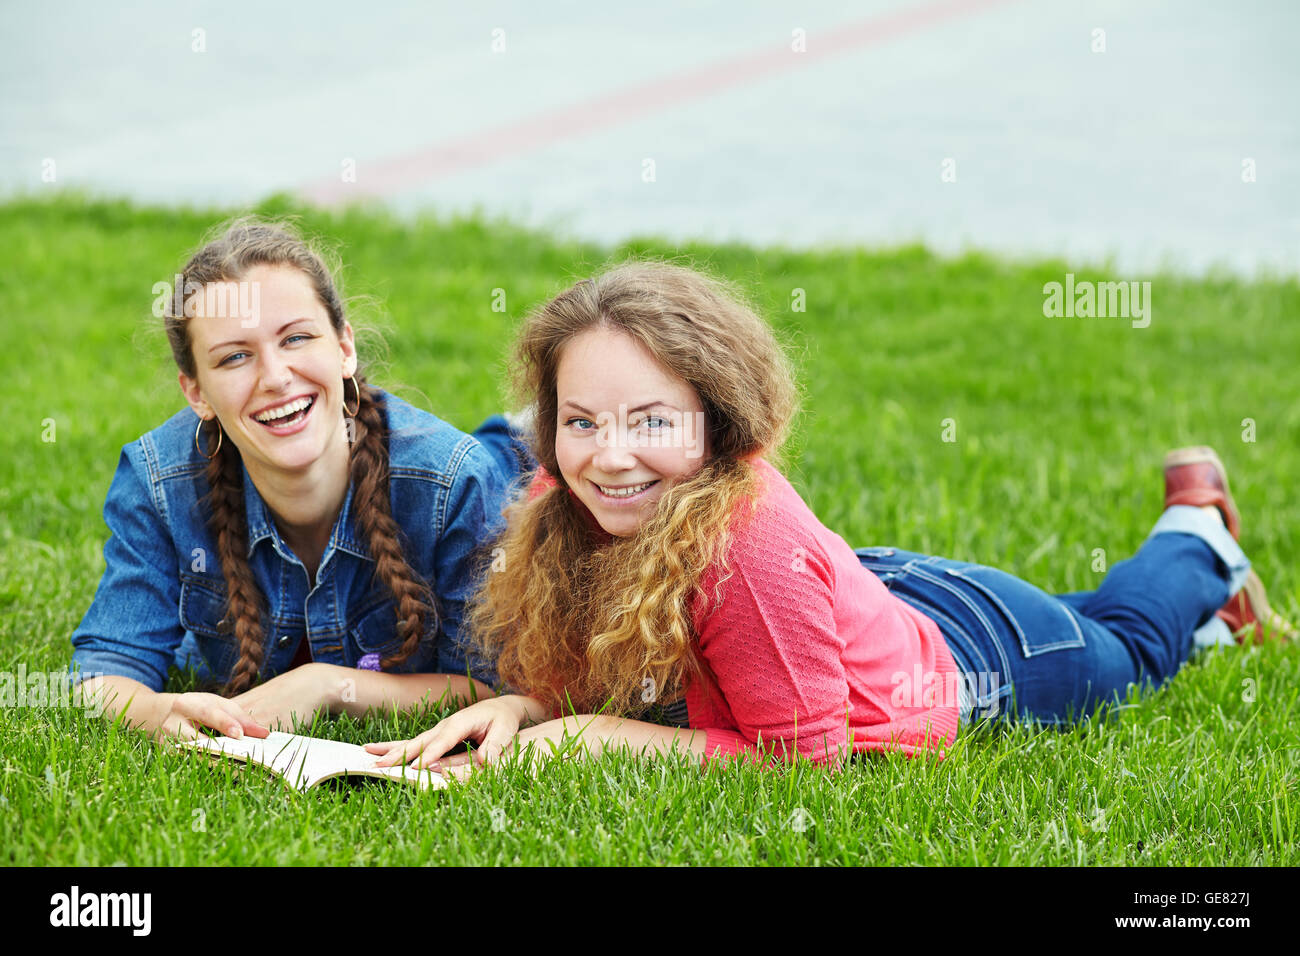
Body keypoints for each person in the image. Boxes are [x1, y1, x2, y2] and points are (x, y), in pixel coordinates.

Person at [366, 261, 1297, 777]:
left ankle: (1199, 539)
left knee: (1125, 644)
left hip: (979, 653)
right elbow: (600, 681)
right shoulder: (566, 505)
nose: (608, 456)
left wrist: (594, 739)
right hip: (862, 599)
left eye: (651, 421)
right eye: (580, 421)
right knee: (1096, 618)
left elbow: (806, 762)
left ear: (718, 421)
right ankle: (1223, 616)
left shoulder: (744, 549)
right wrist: (524, 709)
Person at [69, 218, 526, 740]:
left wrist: (325, 686)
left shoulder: (452, 480)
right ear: (196, 393)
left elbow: (489, 687)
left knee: (513, 459)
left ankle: (519, 429)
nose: (276, 377)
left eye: (297, 338)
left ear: (344, 348)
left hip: (480, 464)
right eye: (235, 356)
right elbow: (101, 672)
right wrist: (158, 714)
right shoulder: (160, 478)